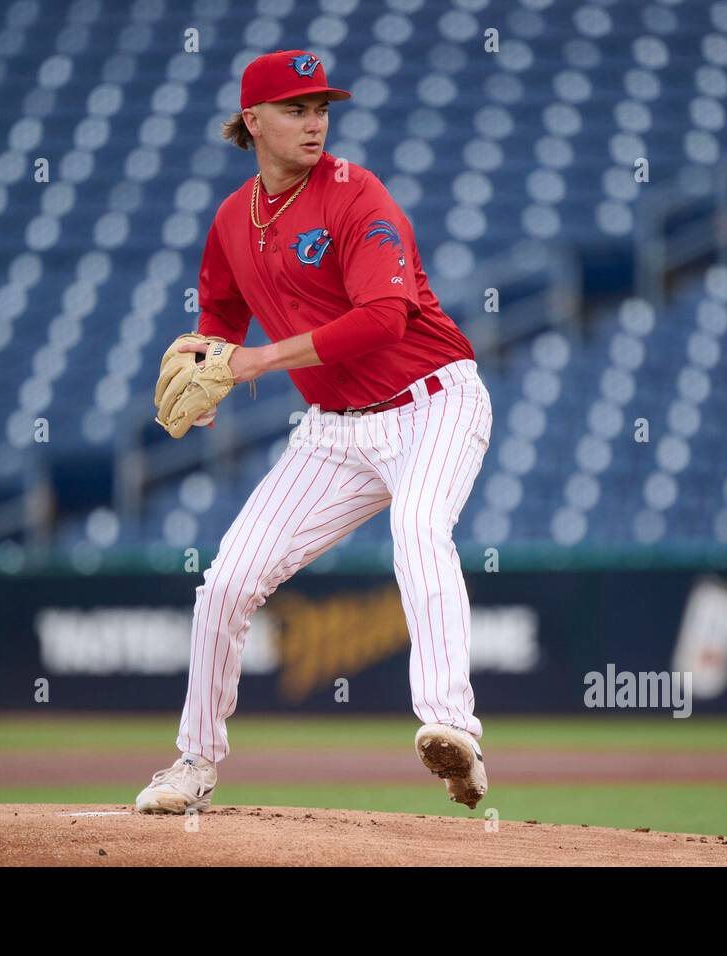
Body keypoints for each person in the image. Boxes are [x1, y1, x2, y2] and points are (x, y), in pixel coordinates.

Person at [135, 50, 492, 814]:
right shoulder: (234, 219)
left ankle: (451, 729)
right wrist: (208, 377)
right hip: (334, 431)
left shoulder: (356, 195)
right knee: (228, 579)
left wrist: (255, 360)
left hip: (433, 401)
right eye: (297, 108)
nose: (316, 122)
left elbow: (381, 319)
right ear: (252, 121)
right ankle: (194, 762)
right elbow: (222, 315)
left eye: (323, 107)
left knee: (421, 528)